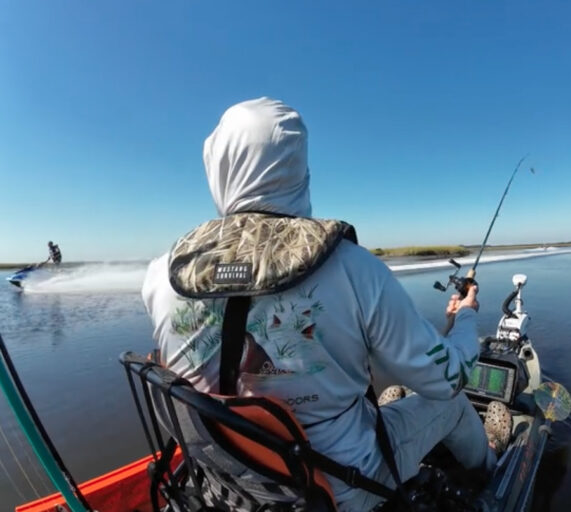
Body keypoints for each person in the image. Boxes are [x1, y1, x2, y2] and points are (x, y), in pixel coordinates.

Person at [142, 98, 502, 511]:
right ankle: (490, 472)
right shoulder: (353, 270)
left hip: (224, 481)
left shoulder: (161, 275)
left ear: (217, 165)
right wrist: (464, 320)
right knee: (453, 404)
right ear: (299, 170)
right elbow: (446, 379)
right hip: (338, 488)